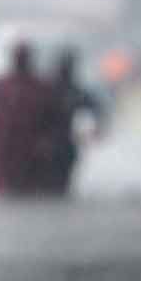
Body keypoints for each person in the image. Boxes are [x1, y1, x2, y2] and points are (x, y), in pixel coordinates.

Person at [0, 41, 57, 197]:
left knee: (27, 191)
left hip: (30, 151)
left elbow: (52, 119)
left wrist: (47, 142)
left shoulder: (42, 87)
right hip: (3, 148)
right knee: (5, 190)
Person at [45, 47, 106, 196]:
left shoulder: (72, 91)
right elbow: (96, 109)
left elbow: (96, 109)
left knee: (57, 188)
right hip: (52, 145)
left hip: (62, 145)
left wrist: (95, 131)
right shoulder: (48, 90)